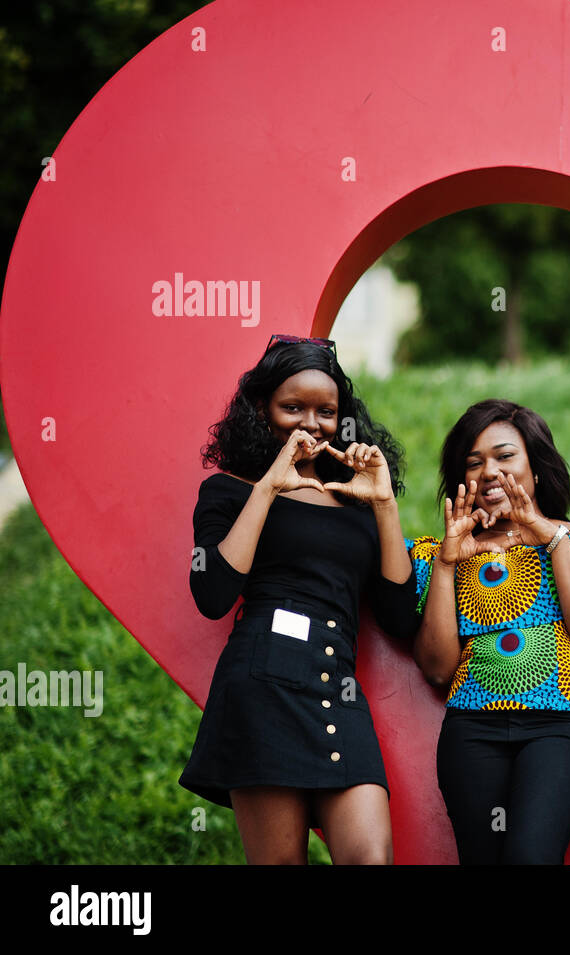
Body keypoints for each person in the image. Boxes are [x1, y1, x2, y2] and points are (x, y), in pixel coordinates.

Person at [180, 334, 418, 865]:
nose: (310, 422)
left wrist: (383, 504)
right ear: (262, 411)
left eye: (326, 411)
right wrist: (269, 486)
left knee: (370, 857)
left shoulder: (355, 500)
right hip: (262, 687)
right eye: (293, 407)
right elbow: (213, 593)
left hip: (339, 688)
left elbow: (402, 618)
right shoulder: (230, 491)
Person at [407, 399, 570, 864]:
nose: (489, 471)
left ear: (536, 465)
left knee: (531, 856)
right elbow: (435, 669)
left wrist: (548, 535)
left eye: (504, 455)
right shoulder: (443, 553)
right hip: (471, 729)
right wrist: (448, 563)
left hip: (558, 725)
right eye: (474, 463)